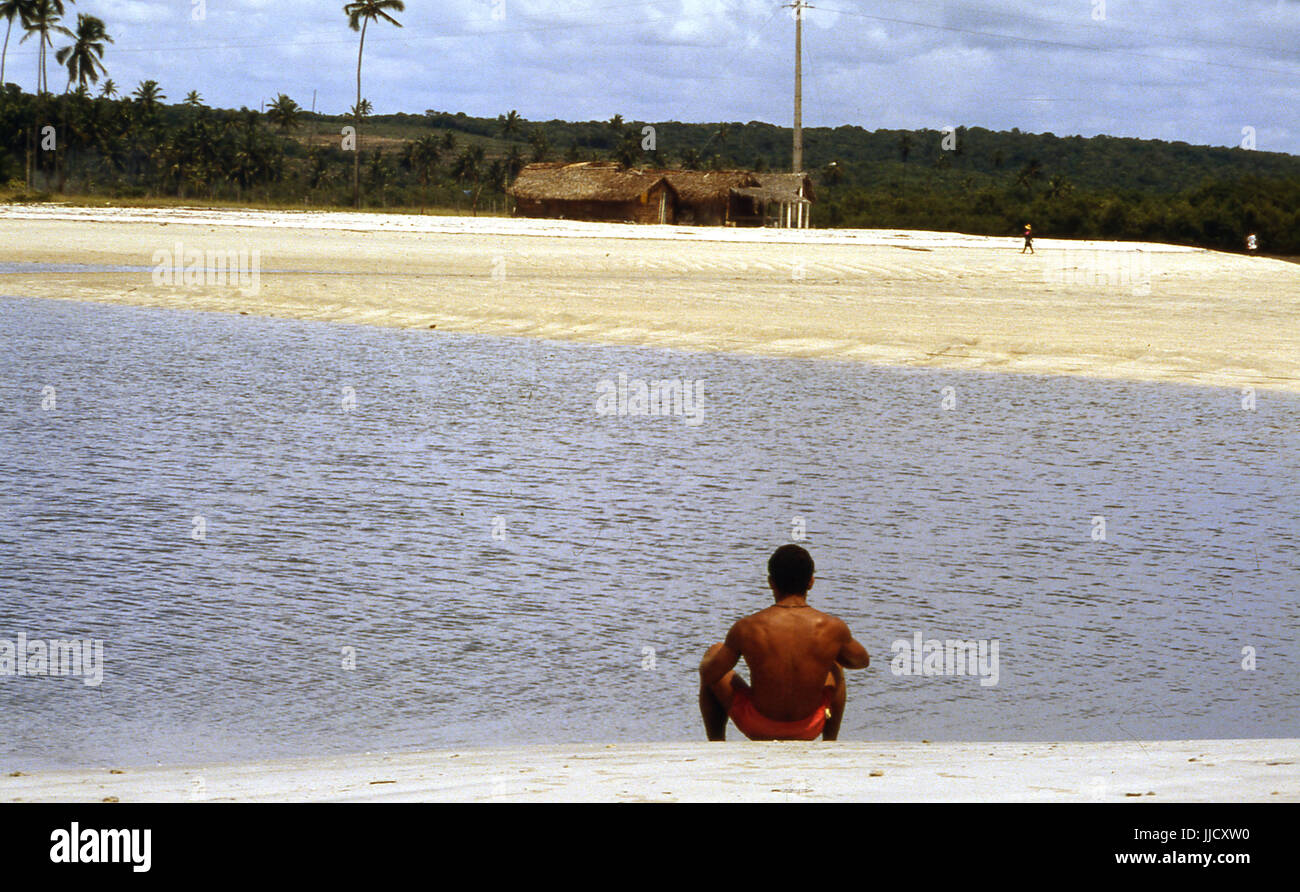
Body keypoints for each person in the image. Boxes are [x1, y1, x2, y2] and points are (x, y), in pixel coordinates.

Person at [698, 545, 870, 741]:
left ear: (771, 582)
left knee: (714, 653)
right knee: (836, 664)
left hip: (757, 726)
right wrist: (824, 656)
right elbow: (862, 661)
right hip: (809, 727)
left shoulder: (747, 627)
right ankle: (830, 742)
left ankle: (716, 742)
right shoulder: (832, 627)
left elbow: (710, 674)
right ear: (811, 582)